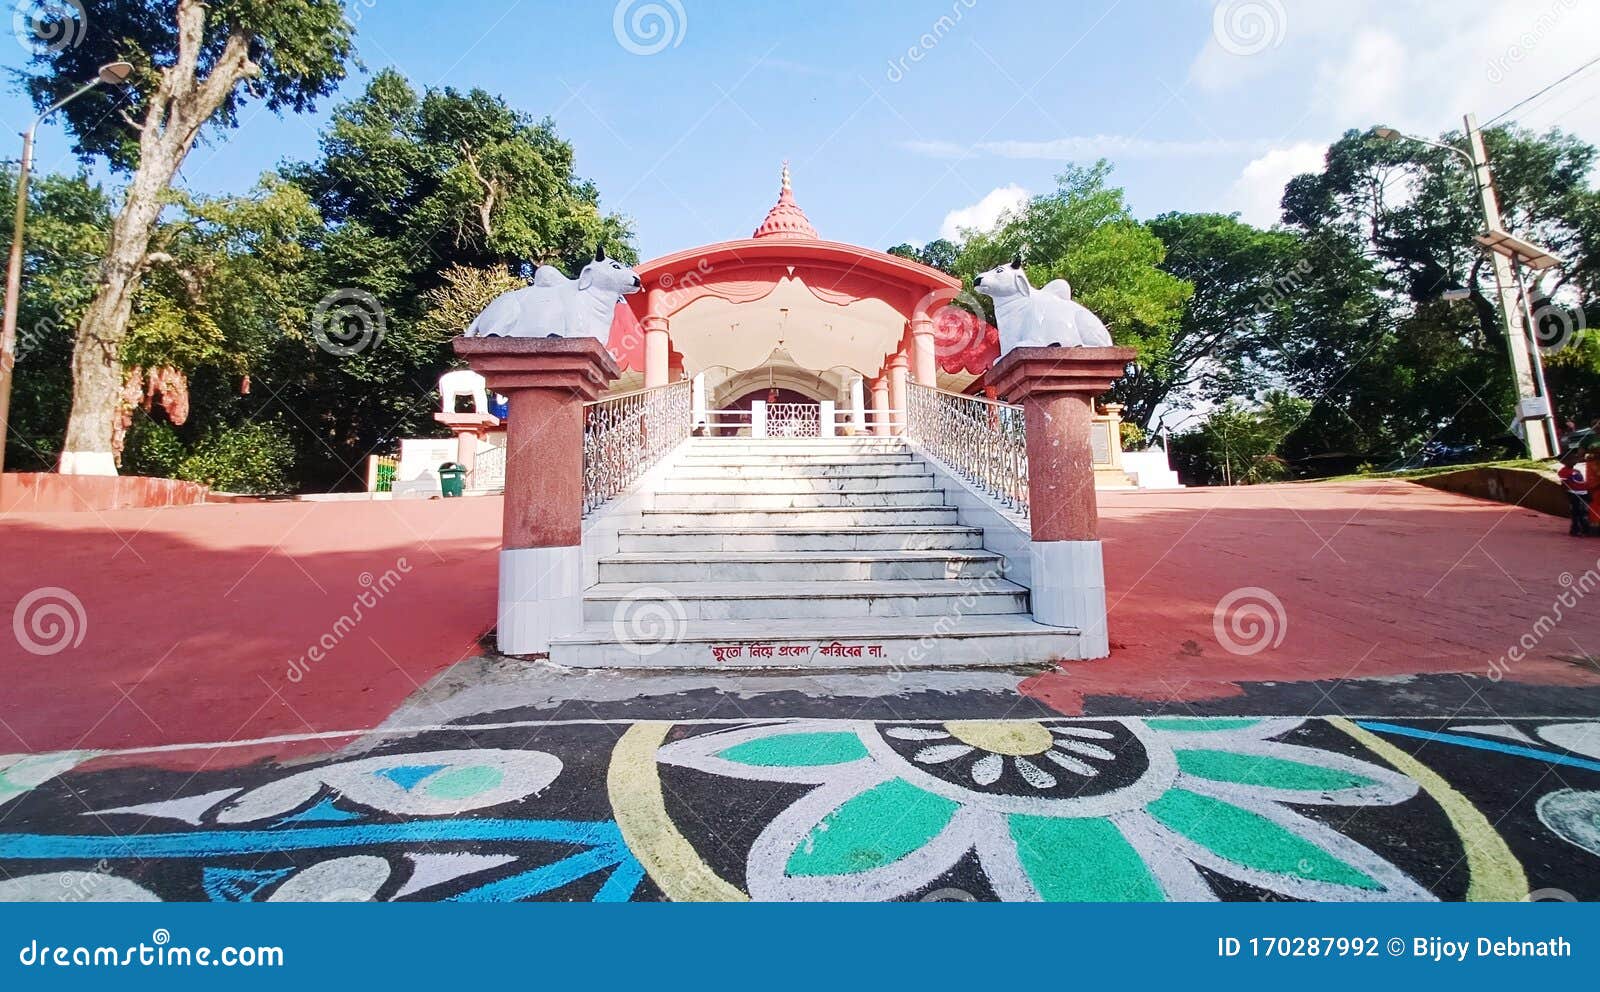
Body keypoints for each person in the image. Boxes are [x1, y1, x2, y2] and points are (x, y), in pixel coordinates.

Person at [1560, 453, 1593, 537]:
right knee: (1576, 512)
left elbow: (1582, 483)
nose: (1573, 461)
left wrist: (1588, 492)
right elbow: (1564, 484)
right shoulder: (1563, 471)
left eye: (1574, 459)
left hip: (1583, 493)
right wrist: (1567, 494)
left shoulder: (1577, 471)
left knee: (1584, 512)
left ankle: (1586, 529)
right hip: (1574, 494)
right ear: (1563, 461)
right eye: (1570, 459)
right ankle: (1575, 529)